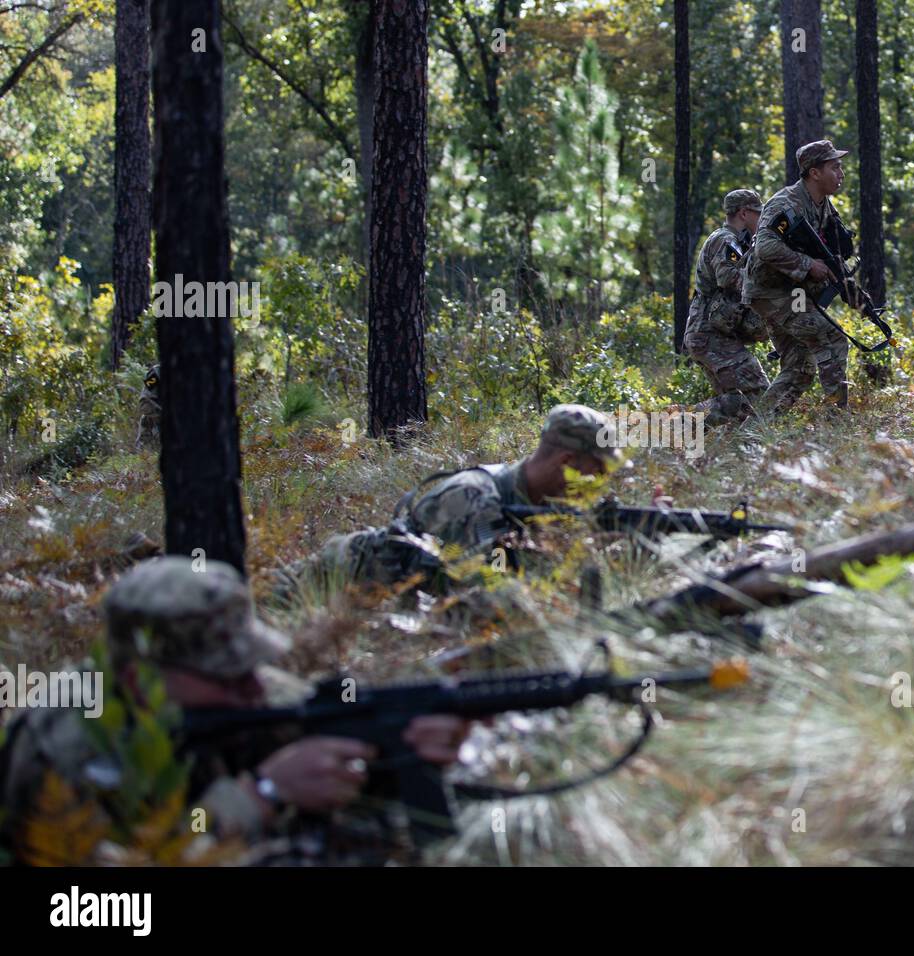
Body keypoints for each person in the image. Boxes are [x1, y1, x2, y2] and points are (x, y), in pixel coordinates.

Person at [0, 558, 469, 863]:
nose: (252, 689)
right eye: (224, 676)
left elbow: (346, 762)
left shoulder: (254, 695)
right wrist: (259, 795)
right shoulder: (60, 745)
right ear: (136, 677)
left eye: (251, 665)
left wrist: (397, 753)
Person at [273, 404, 624, 597]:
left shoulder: (540, 500)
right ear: (566, 463)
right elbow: (488, 599)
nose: (600, 484)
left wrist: (629, 543)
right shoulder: (474, 498)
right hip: (314, 588)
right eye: (597, 471)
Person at [743, 140, 853, 414]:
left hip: (789, 293)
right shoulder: (786, 203)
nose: (841, 174)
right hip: (770, 293)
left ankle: (755, 431)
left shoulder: (824, 206)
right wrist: (807, 265)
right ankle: (836, 420)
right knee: (833, 338)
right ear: (814, 173)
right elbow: (765, 246)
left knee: (800, 368)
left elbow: (831, 254)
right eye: (835, 167)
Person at [683, 189, 770, 424]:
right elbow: (727, 277)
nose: (761, 220)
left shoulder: (731, 240)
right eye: (757, 214)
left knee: (736, 400)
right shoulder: (726, 240)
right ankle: (679, 422)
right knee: (760, 391)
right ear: (744, 213)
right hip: (711, 336)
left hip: (709, 334)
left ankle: (685, 431)